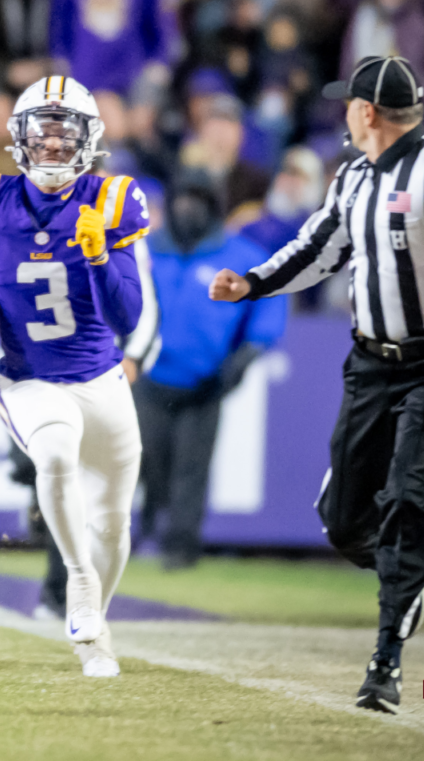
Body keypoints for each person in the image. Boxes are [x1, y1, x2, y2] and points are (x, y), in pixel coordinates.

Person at [209, 56, 424, 714]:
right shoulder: (353, 176)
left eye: (348, 106)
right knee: (344, 522)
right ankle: (405, 555)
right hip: (370, 365)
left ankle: (384, 660)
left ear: (365, 113)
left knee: (408, 498)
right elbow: (317, 247)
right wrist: (253, 282)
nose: (344, 117)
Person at [0, 74, 148, 678]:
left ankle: (97, 631)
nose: (49, 146)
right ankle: (77, 581)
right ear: (19, 139)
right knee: (56, 454)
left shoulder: (115, 200)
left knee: (116, 524)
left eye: (61, 135)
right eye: (40, 134)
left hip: (101, 379)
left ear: (86, 140)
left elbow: (129, 316)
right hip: (30, 378)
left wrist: (98, 257)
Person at [136, 169, 287, 570]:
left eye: (198, 200)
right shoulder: (143, 252)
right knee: (147, 460)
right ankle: (145, 526)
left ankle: (181, 547)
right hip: (148, 378)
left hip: (207, 381)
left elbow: (270, 303)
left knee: (192, 468)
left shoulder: (241, 256)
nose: (188, 209)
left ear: (214, 207)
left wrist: (248, 355)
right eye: (182, 199)